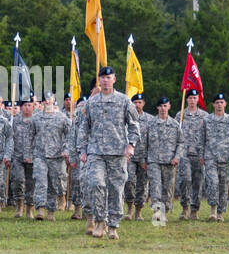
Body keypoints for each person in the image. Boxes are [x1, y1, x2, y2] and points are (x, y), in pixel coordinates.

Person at [76, 66, 140, 240]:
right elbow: (84, 127)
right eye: (102, 78)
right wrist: (82, 149)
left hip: (117, 153)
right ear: (99, 80)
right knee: (96, 184)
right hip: (96, 152)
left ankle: (113, 226)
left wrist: (131, 145)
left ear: (114, 79)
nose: (105, 80)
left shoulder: (124, 101)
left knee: (116, 189)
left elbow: (134, 124)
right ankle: (99, 222)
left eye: (108, 77)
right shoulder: (92, 102)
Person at [30, 93, 72, 221]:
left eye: (50, 99)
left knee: (54, 184)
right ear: (43, 102)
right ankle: (40, 209)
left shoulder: (62, 118)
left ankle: (51, 212)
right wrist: (29, 153)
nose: (48, 101)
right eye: (45, 99)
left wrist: (66, 150)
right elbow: (30, 136)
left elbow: (70, 135)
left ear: (54, 100)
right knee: (40, 181)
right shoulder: (35, 118)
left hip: (56, 157)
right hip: (40, 156)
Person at [144, 97, 184, 220]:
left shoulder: (175, 124)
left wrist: (177, 157)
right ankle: (157, 212)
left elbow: (181, 143)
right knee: (155, 187)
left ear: (169, 107)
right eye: (160, 106)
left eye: (165, 106)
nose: (163, 108)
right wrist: (143, 160)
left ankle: (164, 212)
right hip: (153, 161)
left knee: (167, 189)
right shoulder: (150, 124)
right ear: (157, 108)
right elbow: (144, 143)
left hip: (169, 162)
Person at [203, 93, 229, 222]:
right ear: (213, 105)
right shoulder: (207, 120)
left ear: (225, 104)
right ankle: (213, 210)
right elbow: (202, 139)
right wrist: (202, 155)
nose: (219, 105)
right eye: (217, 102)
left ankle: (220, 213)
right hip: (210, 157)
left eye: (221, 102)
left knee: (223, 185)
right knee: (213, 183)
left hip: (226, 158)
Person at [124, 93, 155, 220]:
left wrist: (147, 158)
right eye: (135, 102)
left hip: (144, 157)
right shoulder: (126, 117)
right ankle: (130, 208)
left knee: (142, 184)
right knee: (129, 181)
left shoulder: (150, 119)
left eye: (139, 102)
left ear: (144, 103)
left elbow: (152, 141)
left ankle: (139, 210)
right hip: (129, 157)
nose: (137, 105)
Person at [178, 89, 207, 220]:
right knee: (186, 180)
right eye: (190, 98)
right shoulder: (180, 115)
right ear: (187, 99)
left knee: (197, 183)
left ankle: (194, 209)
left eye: (194, 98)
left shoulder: (205, 116)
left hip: (199, 154)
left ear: (198, 99)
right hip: (184, 154)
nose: (192, 100)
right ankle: (185, 208)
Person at [9, 96, 36, 218]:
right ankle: (19, 205)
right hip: (17, 156)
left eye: (29, 105)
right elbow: (9, 139)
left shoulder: (37, 120)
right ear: (20, 107)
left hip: (33, 156)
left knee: (31, 183)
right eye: (24, 105)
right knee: (18, 180)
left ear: (33, 106)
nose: (27, 108)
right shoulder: (14, 121)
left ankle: (29, 207)